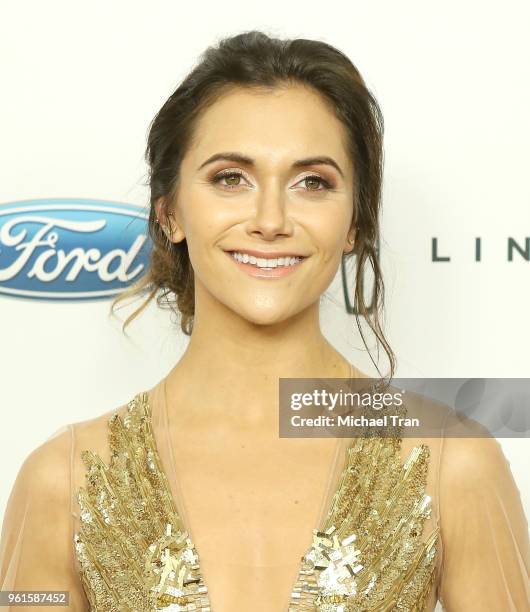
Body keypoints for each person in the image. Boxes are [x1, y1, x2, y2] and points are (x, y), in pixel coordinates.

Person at [1, 30, 529, 611]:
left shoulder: (452, 462)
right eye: (231, 178)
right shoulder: (64, 481)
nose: (271, 219)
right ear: (170, 212)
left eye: (313, 182)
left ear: (354, 221)